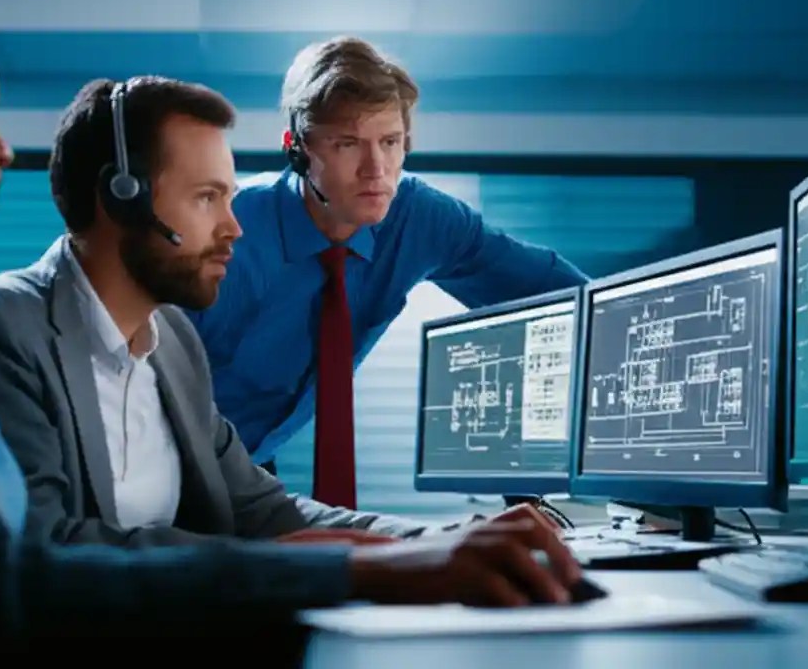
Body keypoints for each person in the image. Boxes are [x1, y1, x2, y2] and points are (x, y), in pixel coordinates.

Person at [0, 0, 584, 641]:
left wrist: (431, 542)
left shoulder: (145, 342)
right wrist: (356, 568)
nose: (3, 145)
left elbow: (253, 505)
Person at [0, 75, 495, 547]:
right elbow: (46, 544)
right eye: (207, 198)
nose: (233, 228)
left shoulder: (172, 342)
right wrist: (318, 567)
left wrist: (440, 541)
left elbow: (261, 509)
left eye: (229, 198)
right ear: (122, 197)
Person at [183, 36, 590, 508]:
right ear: (297, 149)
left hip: (251, 466)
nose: (376, 170)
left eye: (391, 142)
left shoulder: (417, 216)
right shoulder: (228, 237)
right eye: (348, 144)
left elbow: (557, 294)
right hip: (174, 462)